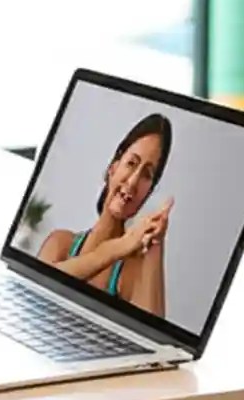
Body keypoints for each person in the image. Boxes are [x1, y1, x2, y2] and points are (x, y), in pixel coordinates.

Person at [35, 113, 173, 317]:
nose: (133, 182)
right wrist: (116, 248)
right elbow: (38, 285)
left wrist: (156, 242)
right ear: (113, 167)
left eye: (147, 175)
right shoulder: (60, 243)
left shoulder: (131, 272)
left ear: (148, 192)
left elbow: (153, 330)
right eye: (131, 163)